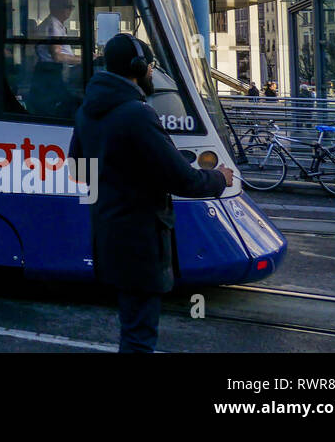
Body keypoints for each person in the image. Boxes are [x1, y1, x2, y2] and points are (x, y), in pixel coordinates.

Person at [68, 33, 233, 353]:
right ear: (138, 67)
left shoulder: (87, 109)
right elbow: (181, 179)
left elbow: (78, 168)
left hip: (108, 235)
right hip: (140, 241)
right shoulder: (137, 113)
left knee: (132, 328)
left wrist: (115, 182)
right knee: (139, 337)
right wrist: (219, 178)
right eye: (151, 66)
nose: (152, 73)